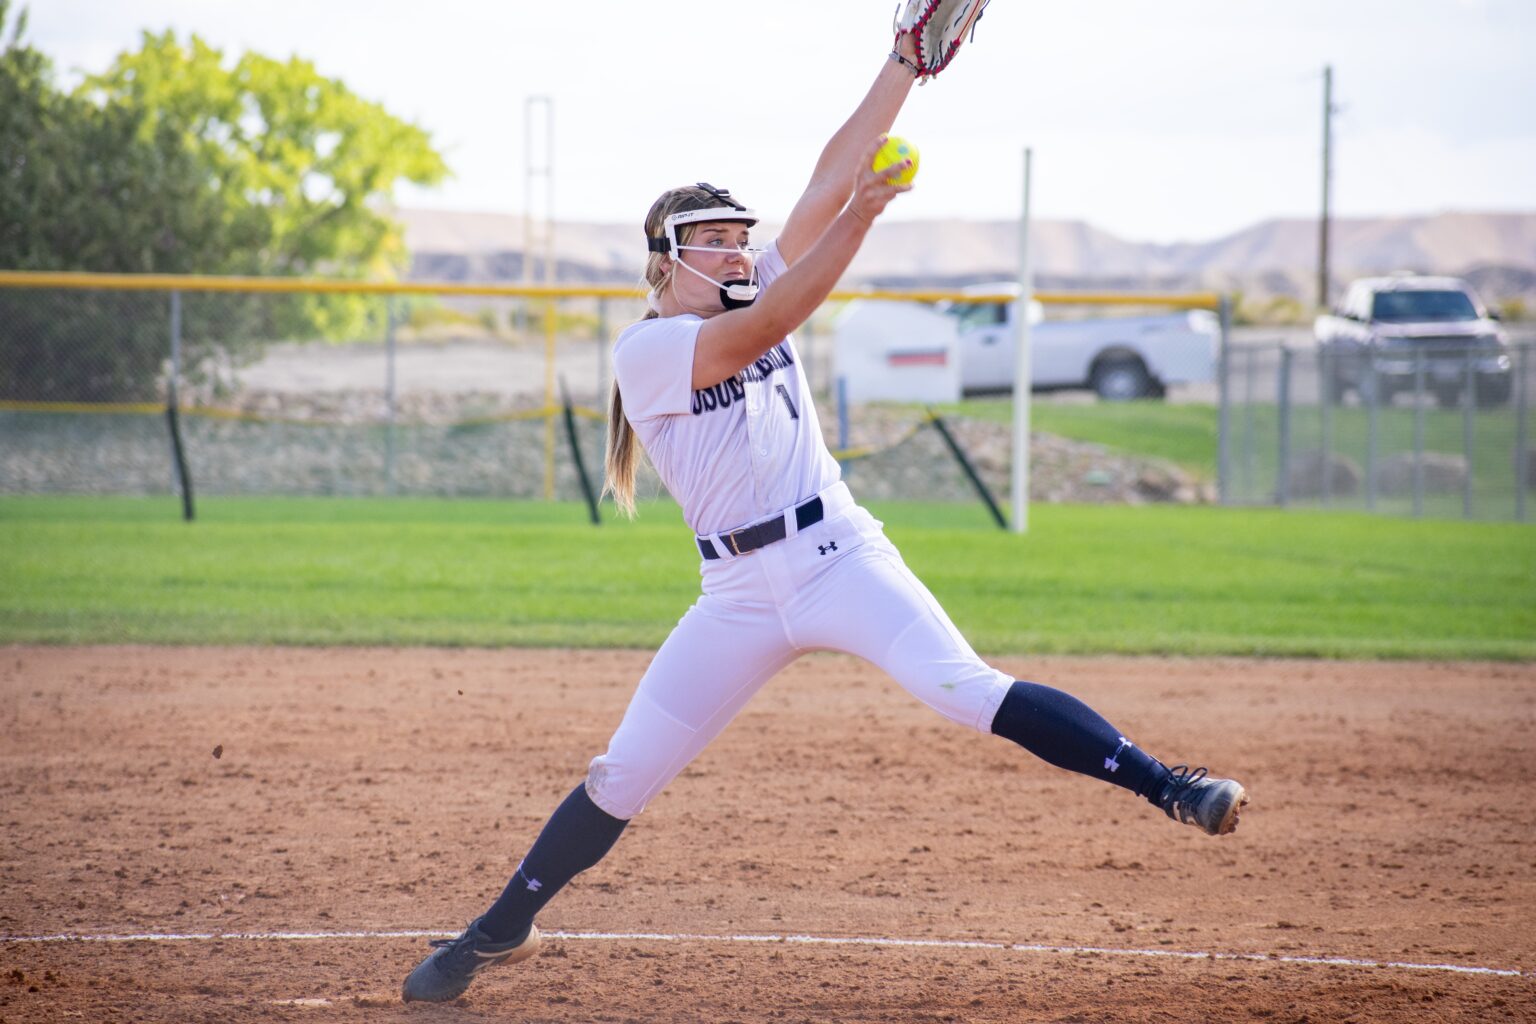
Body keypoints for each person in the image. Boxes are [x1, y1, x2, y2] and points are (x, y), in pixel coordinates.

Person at [401, 30, 1247, 1005]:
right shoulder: (648, 350)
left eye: (738, 236)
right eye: (712, 240)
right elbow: (774, 320)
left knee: (967, 688)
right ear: (665, 262)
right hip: (736, 594)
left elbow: (830, 172)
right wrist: (865, 215)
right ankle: (499, 930)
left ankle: (1170, 784)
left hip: (838, 554)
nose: (734, 250)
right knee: (621, 774)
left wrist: (905, 62)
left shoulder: (755, 281)